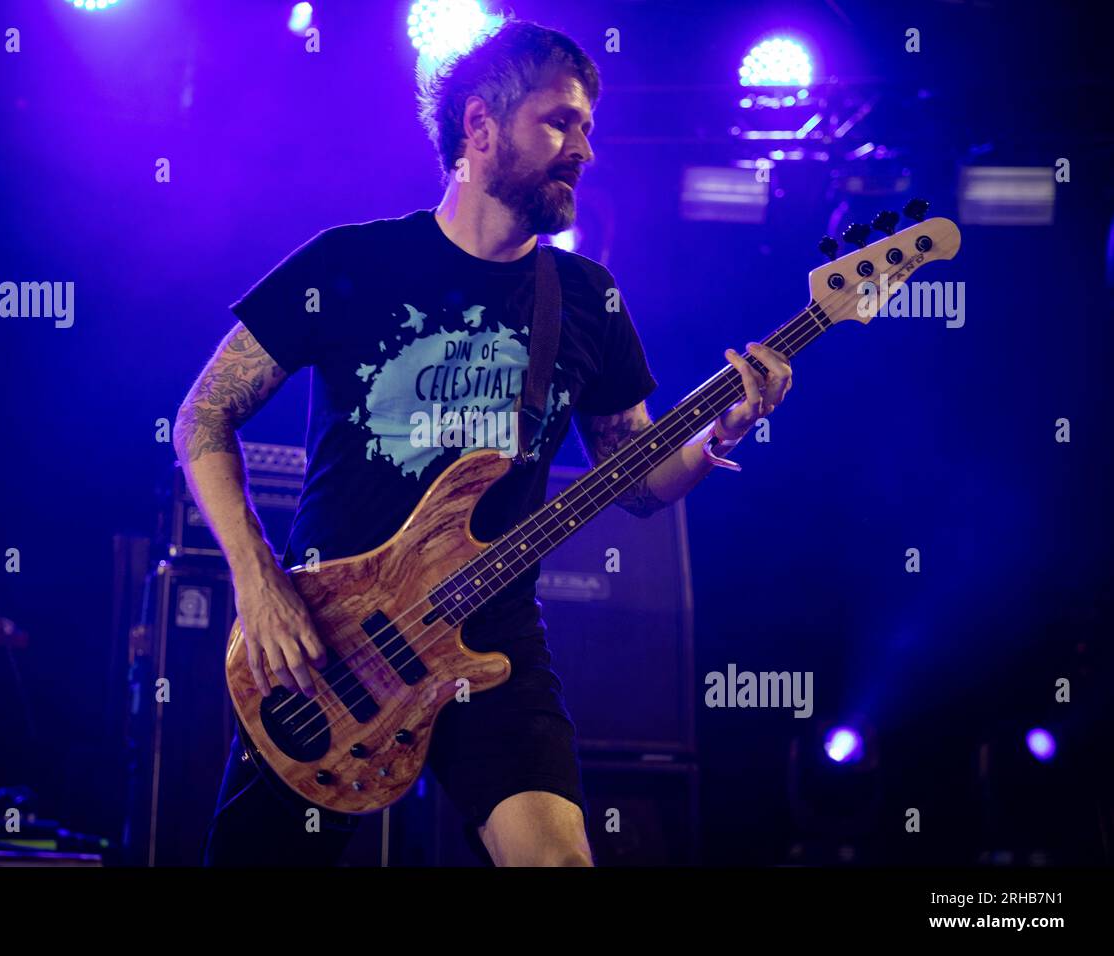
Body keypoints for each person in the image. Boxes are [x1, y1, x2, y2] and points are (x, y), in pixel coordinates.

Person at [174, 18, 792, 867]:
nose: (584, 148)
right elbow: (203, 416)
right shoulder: (351, 263)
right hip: (330, 640)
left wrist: (722, 425)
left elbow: (639, 483)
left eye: (588, 127)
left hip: (489, 636)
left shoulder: (582, 297)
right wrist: (258, 583)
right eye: (560, 123)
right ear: (480, 126)